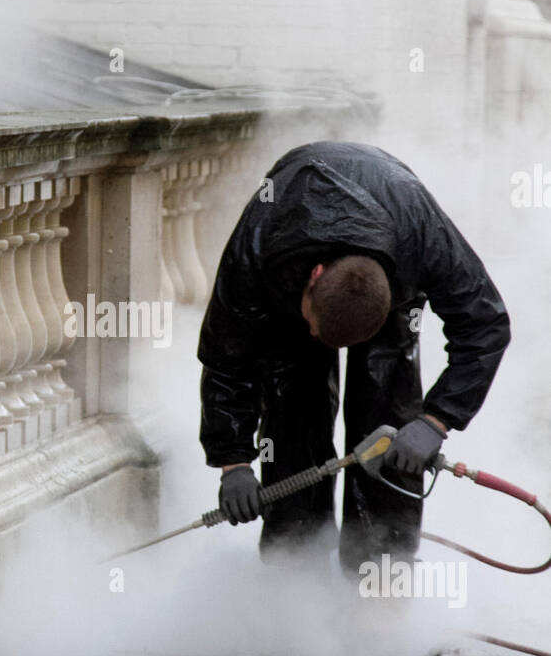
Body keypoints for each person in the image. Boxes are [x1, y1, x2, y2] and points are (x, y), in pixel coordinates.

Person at [197, 141, 511, 573]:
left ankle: (380, 580)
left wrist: (437, 419)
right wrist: (233, 460)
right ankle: (295, 575)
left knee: (390, 420)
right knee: (292, 414)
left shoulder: (420, 233)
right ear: (314, 278)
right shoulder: (258, 244)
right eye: (318, 328)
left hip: (389, 252)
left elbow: (485, 323)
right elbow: (227, 355)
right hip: (288, 262)